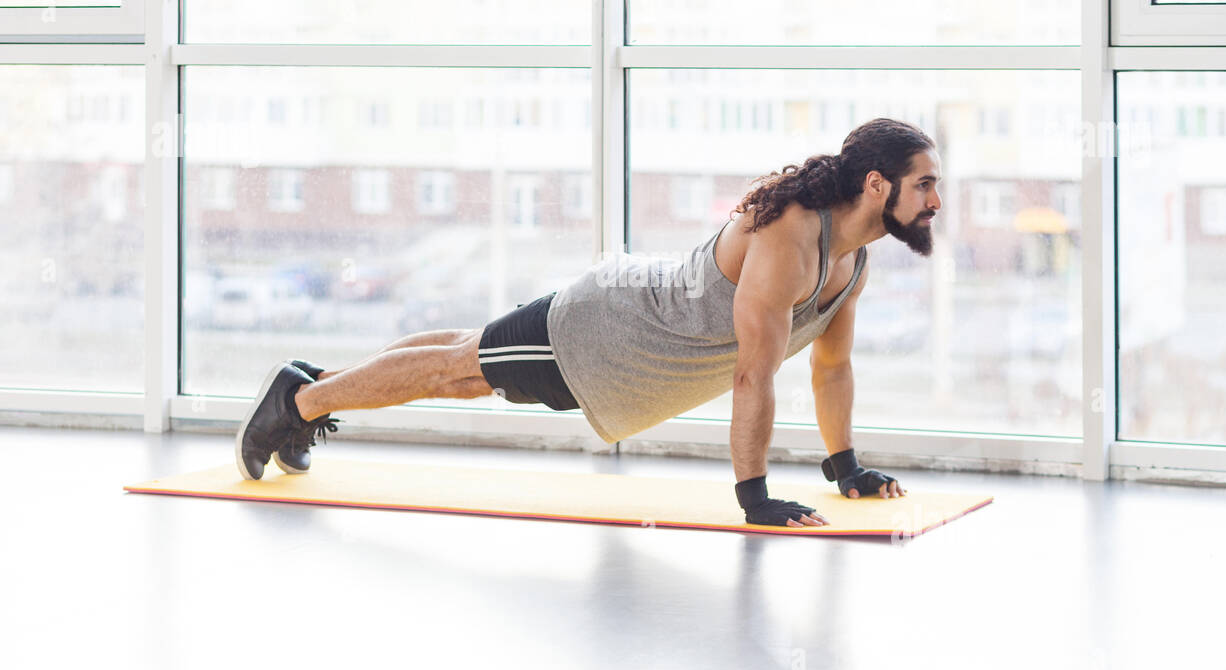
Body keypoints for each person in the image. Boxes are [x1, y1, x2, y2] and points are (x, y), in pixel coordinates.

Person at [235, 117, 943, 527]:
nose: (936, 199)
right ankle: (296, 403)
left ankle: (315, 384)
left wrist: (844, 467)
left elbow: (831, 366)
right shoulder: (791, 236)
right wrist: (752, 498)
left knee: (462, 356)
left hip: (624, 346)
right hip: (604, 329)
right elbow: (753, 372)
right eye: (925, 184)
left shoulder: (850, 262)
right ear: (876, 185)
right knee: (458, 372)